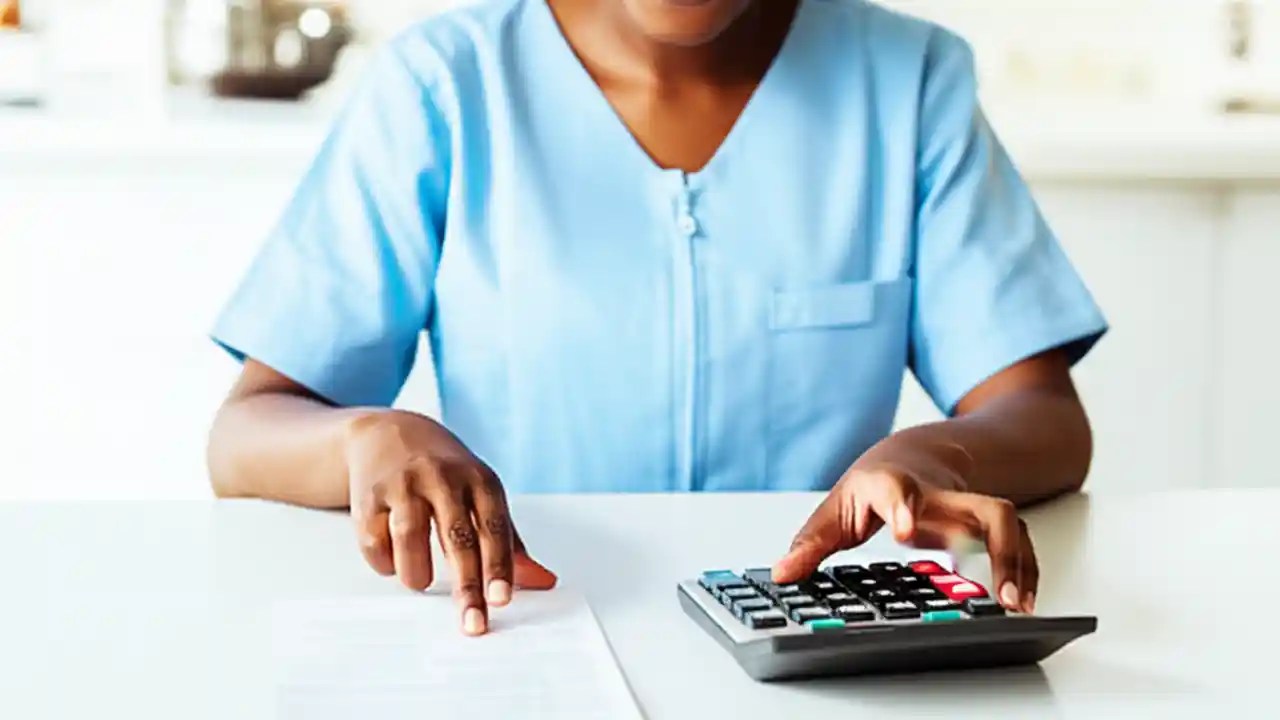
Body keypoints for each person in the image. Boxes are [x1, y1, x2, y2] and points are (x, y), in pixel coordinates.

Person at [207, 0, 1106, 637]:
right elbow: (247, 433)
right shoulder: (442, 85)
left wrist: (931, 455)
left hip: (816, 653)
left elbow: (1043, 414)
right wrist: (371, 437)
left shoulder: (909, 83)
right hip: (532, 636)